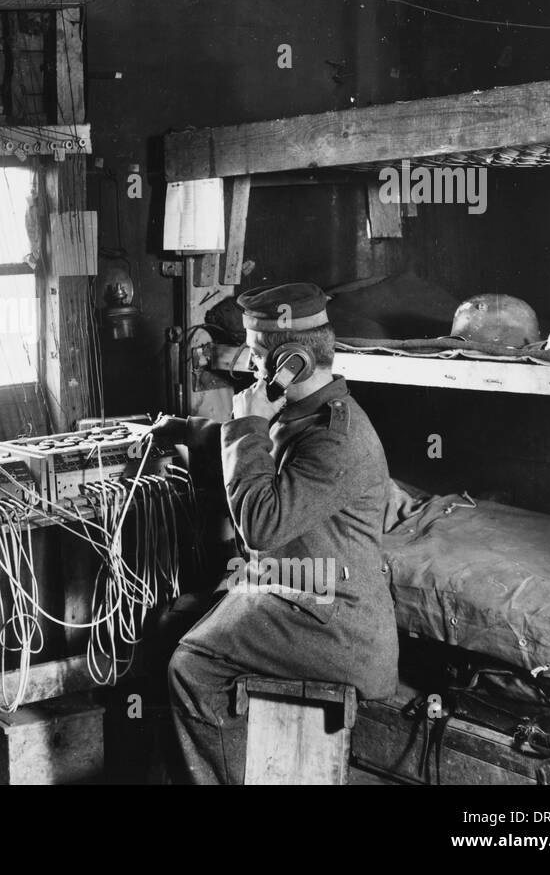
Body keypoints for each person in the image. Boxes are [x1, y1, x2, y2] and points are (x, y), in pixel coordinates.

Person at [152, 282, 398, 784]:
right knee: (168, 620)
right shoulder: (308, 408)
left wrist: (244, 428)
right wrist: (180, 428)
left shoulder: (337, 440)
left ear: (292, 363)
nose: (250, 365)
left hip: (334, 623)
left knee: (190, 666)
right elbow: (271, 438)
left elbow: (262, 525)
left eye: (258, 354)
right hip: (295, 591)